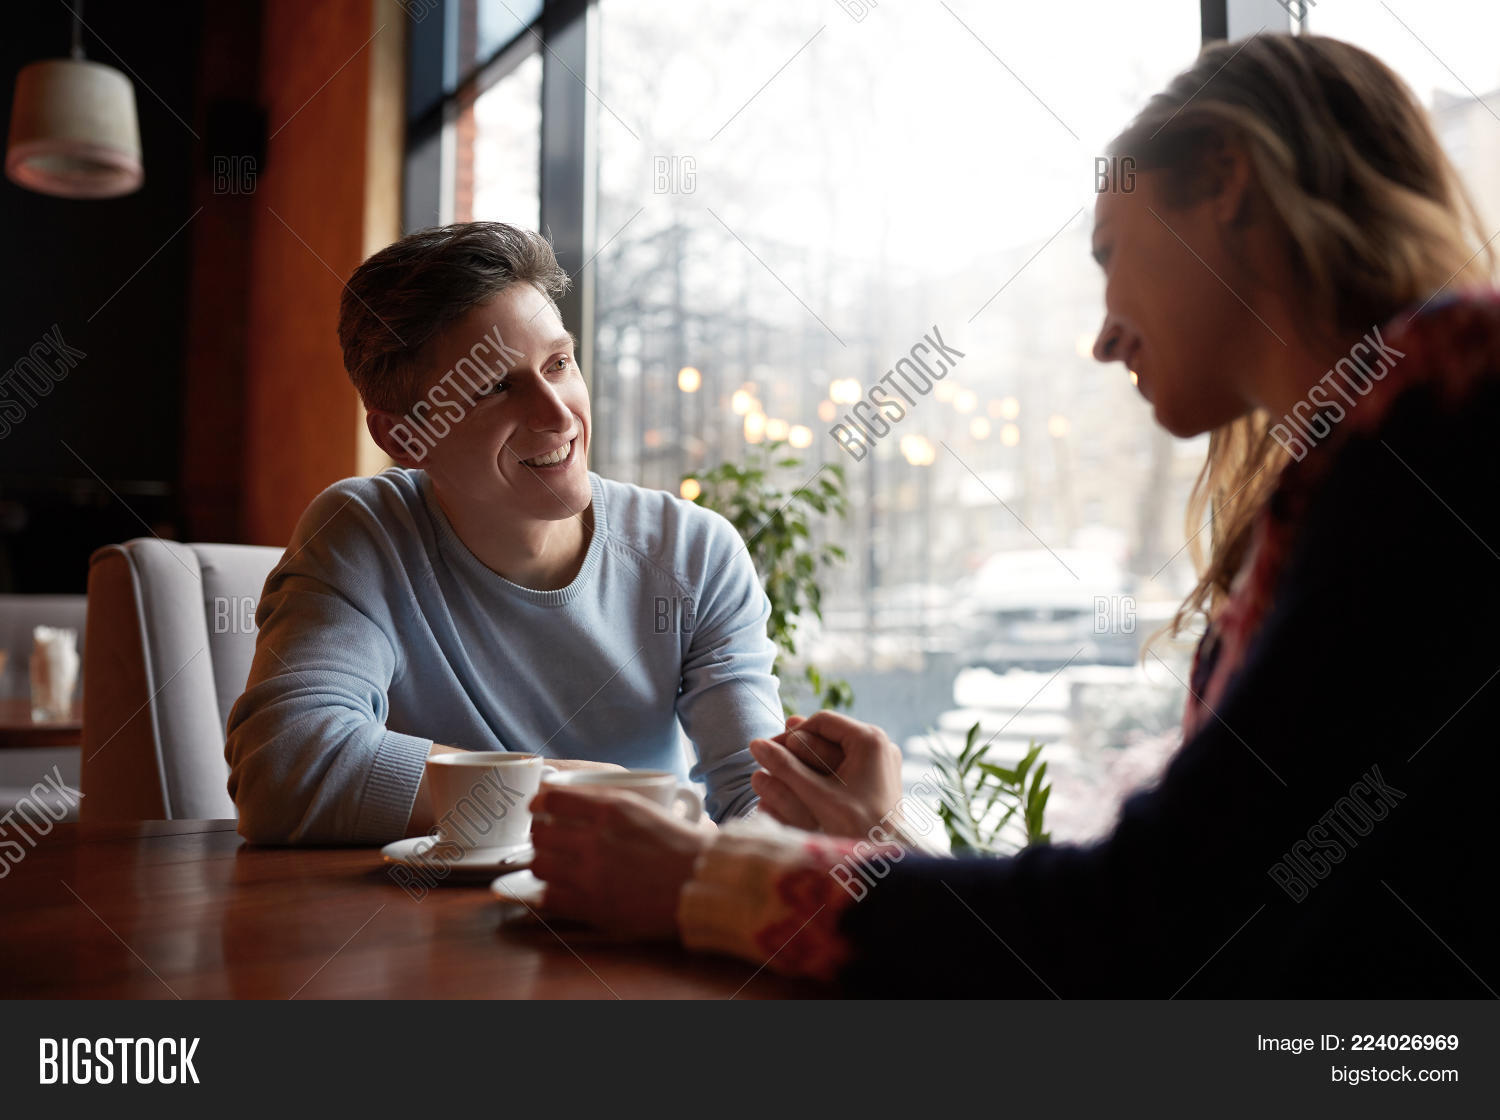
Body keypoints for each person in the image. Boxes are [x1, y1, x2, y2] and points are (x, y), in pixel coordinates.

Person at [528, 33, 1500, 995]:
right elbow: (1209, 903)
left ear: (1225, 177)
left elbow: (1160, 930)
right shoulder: (1377, 451)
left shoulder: (1447, 418)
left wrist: (701, 877)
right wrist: (875, 847)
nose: (1102, 336)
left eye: (1112, 253)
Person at [225, 223, 781, 844]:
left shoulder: (694, 554)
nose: (557, 412)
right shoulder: (364, 537)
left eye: (558, 363)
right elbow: (283, 767)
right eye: (494, 387)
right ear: (401, 437)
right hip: (425, 933)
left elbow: (760, 801)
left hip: (630, 921)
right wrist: (583, 793)